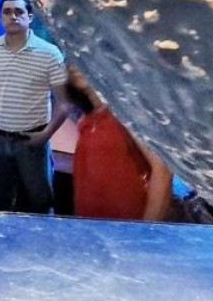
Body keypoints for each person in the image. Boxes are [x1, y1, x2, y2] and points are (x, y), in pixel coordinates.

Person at [0, 0, 67, 214]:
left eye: (19, 11)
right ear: (0, 17)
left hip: (32, 141)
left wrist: (46, 134)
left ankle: (38, 248)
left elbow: (64, 102)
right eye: (7, 12)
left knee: (39, 202)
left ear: (30, 16)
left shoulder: (49, 53)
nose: (13, 16)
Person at [67, 65, 172, 221]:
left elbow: (162, 169)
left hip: (127, 231)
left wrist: (147, 232)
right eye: (69, 60)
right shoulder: (87, 120)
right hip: (94, 232)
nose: (74, 66)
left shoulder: (128, 111)